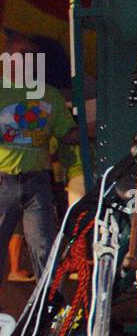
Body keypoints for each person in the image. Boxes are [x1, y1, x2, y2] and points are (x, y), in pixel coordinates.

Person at [0, 32, 80, 287]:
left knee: (44, 247)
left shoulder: (49, 95)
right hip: (4, 180)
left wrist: (95, 128)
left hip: (37, 183)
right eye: (21, 56)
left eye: (31, 57)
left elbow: (66, 134)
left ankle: (47, 310)